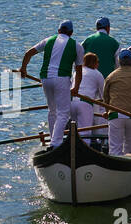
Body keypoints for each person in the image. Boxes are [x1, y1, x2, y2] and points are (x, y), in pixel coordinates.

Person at [19, 20, 84, 148]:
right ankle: (56, 143)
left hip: (45, 78)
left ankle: (52, 139)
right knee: (64, 113)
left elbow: (28, 53)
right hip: (61, 79)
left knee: (52, 110)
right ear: (71, 33)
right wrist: (75, 88)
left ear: (59, 30)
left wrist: (23, 69)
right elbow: (79, 70)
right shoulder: (77, 46)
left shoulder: (48, 40)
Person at [70, 52, 107, 150]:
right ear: (94, 63)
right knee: (85, 132)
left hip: (72, 103)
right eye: (98, 62)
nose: (98, 64)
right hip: (85, 104)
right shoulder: (97, 73)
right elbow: (104, 95)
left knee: (74, 130)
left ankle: (72, 149)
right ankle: (84, 149)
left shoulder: (77, 72)